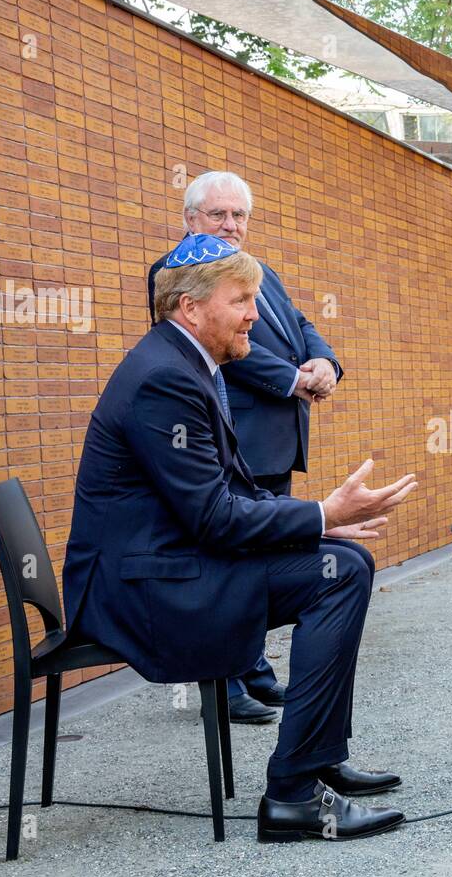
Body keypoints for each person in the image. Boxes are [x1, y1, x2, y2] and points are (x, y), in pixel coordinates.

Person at [64, 233, 417, 841]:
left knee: (342, 562)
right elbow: (214, 518)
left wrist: (321, 523)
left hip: (169, 565)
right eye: (242, 299)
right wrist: (320, 515)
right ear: (191, 307)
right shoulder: (164, 380)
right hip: (147, 591)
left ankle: (317, 760)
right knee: (340, 576)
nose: (255, 313)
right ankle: (292, 796)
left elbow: (230, 495)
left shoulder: (182, 364)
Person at [147, 171, 347, 724]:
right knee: (229, 561)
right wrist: (293, 379)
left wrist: (325, 362)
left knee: (260, 558)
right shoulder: (174, 273)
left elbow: (301, 324)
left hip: (275, 443)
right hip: (232, 443)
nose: (230, 225)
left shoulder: (261, 272)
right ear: (190, 220)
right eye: (218, 215)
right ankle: (225, 681)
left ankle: (253, 669)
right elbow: (232, 347)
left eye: (238, 215)